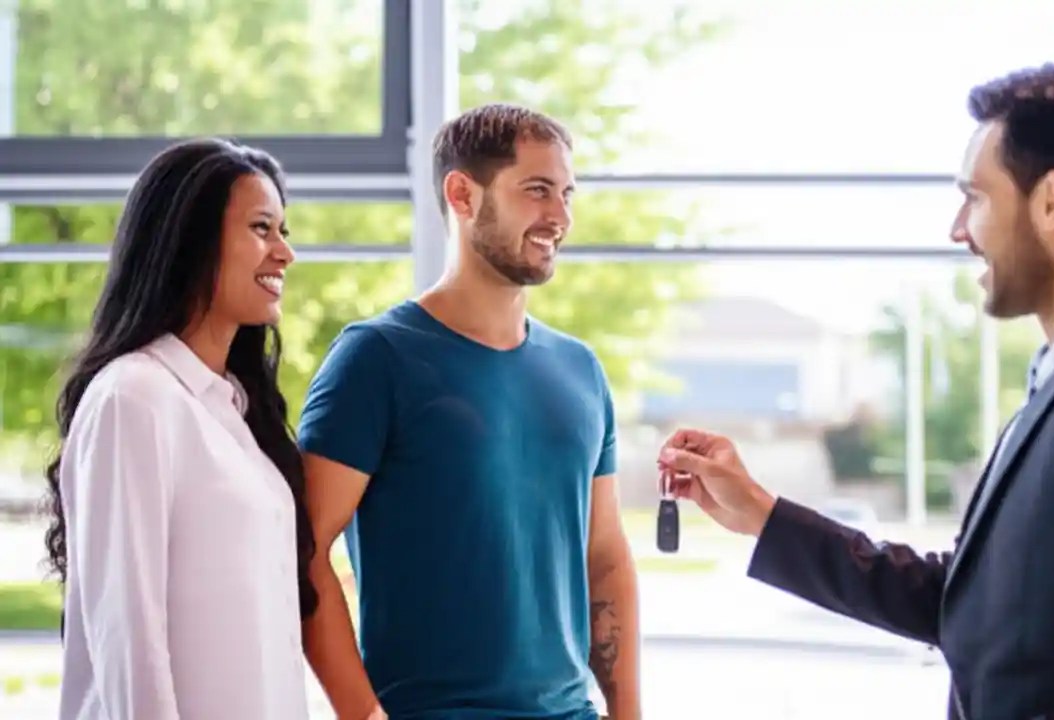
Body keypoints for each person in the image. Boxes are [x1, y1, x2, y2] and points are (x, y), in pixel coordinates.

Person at [657, 64, 1054, 719]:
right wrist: (759, 512)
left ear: (1052, 201)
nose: (960, 229)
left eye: (976, 197)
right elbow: (965, 602)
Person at [298, 102, 639, 720]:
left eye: (566, 193)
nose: (559, 216)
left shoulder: (581, 370)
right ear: (462, 193)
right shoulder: (375, 358)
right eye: (537, 190)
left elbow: (606, 557)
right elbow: (304, 551)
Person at [45, 138, 315, 719]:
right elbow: (130, 638)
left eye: (283, 230)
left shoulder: (233, 413)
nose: (284, 253)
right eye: (262, 228)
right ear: (190, 240)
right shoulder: (134, 397)